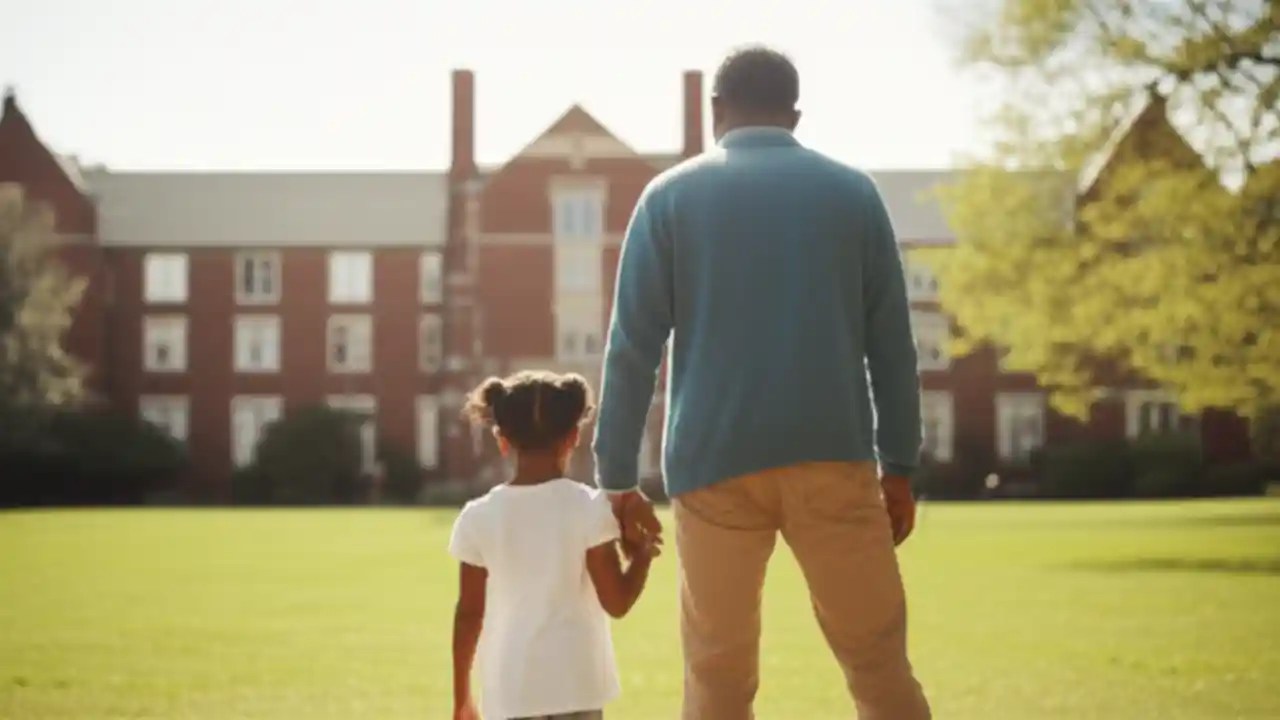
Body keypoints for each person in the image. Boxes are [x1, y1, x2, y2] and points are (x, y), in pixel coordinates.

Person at [593, 46, 932, 719]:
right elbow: (892, 346)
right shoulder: (853, 193)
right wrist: (899, 463)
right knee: (877, 662)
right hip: (833, 455)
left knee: (717, 674)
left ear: (714, 110)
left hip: (711, 466)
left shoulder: (668, 198)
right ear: (796, 114)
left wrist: (615, 478)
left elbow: (631, 349)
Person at [450, 371, 658, 720]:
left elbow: (469, 615)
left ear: (502, 440)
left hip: (511, 690)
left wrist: (461, 698)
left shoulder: (476, 517)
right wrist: (642, 557)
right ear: (573, 437)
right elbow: (617, 602)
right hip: (578, 687)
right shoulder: (589, 507)